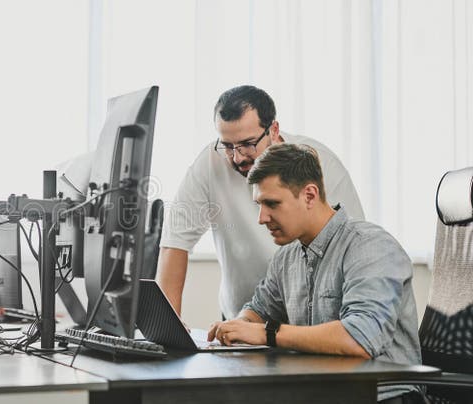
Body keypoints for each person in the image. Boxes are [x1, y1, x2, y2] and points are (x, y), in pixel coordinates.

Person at [207, 143, 421, 403]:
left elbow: (360, 339)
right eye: (259, 205)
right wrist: (237, 328)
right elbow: (258, 310)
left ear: (309, 195)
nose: (261, 218)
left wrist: (267, 333)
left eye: (272, 203)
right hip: (322, 393)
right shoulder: (287, 257)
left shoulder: (369, 246)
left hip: (383, 397)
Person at [158, 85, 365, 320]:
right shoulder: (209, 162)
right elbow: (175, 241)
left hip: (309, 324)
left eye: (247, 144)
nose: (237, 157)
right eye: (227, 145)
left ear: (273, 130)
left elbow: (352, 246)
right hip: (244, 317)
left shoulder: (319, 164)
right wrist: (168, 327)